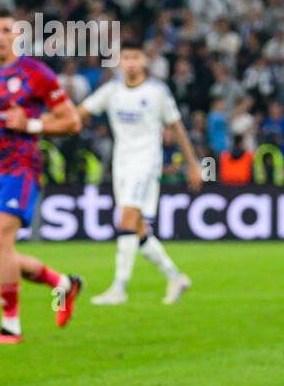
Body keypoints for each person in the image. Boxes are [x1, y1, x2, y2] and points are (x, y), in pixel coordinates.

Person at [0, 11, 82, 343]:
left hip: (22, 168)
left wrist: (32, 125)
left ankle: (11, 326)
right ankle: (63, 284)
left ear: (17, 36)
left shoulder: (35, 74)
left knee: (1, 241)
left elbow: (72, 122)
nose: (0, 36)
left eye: (6, 30)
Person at [78, 47, 202, 305]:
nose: (131, 63)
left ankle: (119, 288)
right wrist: (44, 119)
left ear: (145, 61)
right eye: (126, 58)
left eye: (135, 58)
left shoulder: (157, 91)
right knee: (138, 229)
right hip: (121, 164)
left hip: (146, 163)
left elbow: (176, 127)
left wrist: (192, 164)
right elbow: (80, 112)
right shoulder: (112, 90)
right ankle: (175, 276)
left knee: (127, 220)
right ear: (120, 62)